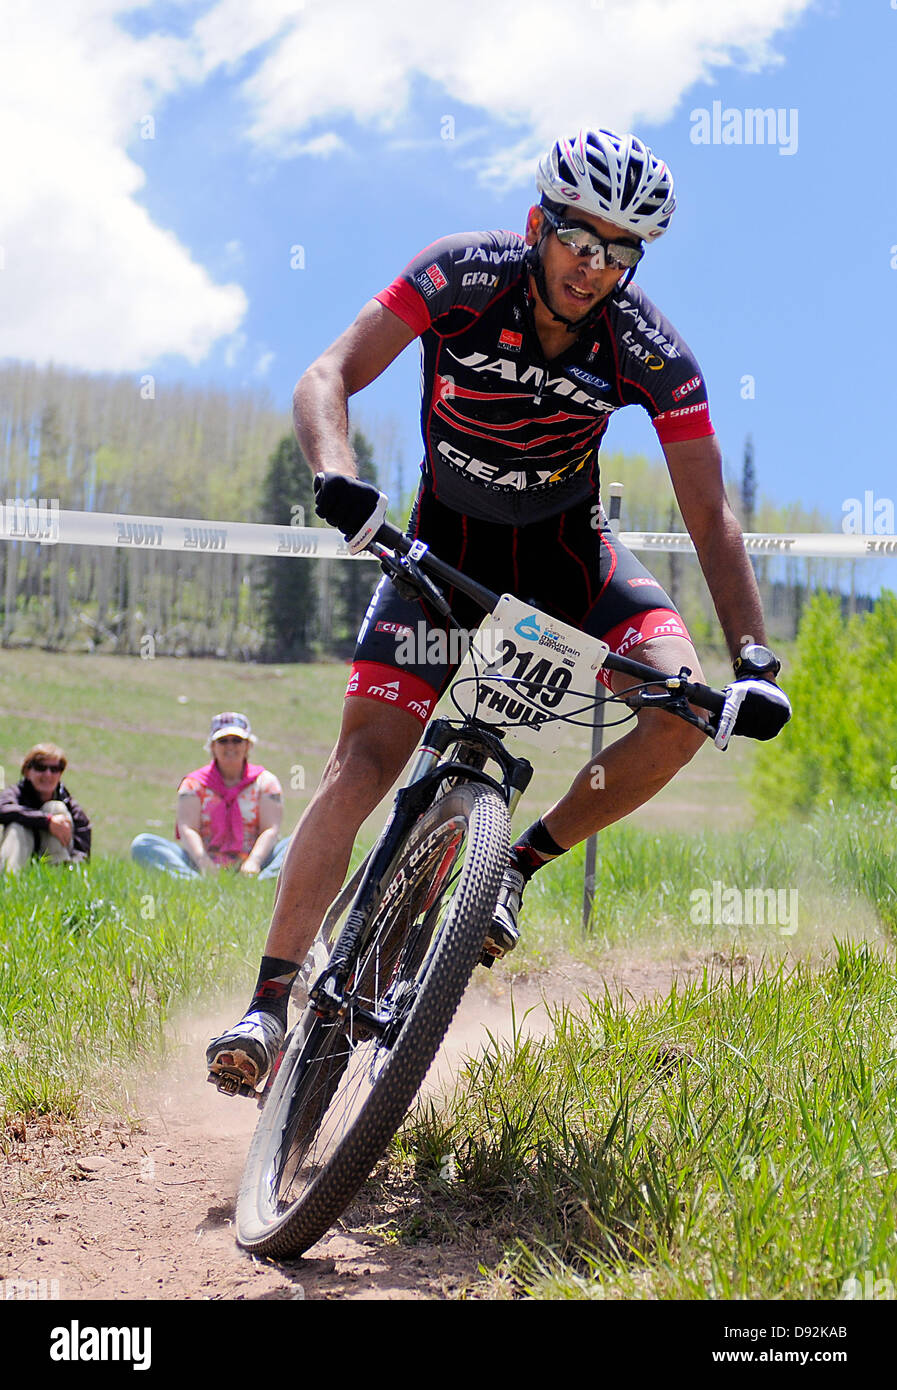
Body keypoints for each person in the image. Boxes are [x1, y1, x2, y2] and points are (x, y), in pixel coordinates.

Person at [207, 127, 791, 1089]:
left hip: (569, 565)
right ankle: (267, 1005)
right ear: (538, 223)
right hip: (442, 556)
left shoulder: (646, 345)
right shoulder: (460, 277)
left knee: (685, 708)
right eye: (578, 240)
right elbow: (327, 375)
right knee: (362, 765)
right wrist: (339, 479)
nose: (593, 267)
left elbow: (710, 510)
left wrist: (755, 661)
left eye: (619, 253)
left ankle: (511, 867)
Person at [131, 712, 289, 879]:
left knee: (295, 844)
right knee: (143, 844)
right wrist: (204, 863)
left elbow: (270, 829)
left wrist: (254, 862)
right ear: (212, 747)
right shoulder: (193, 783)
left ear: (248, 745)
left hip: (256, 863)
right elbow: (188, 828)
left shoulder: (266, 782)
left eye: (237, 740)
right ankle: (194, 882)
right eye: (223, 741)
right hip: (200, 862)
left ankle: (263, 881)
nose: (230, 746)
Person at [0, 743, 91, 872]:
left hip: (58, 867)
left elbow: (83, 852)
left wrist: (74, 868)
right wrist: (47, 821)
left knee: (56, 809)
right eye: (40, 767)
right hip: (22, 859)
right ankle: (9, 880)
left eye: (55, 769)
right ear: (27, 771)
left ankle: (57, 876)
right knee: (17, 827)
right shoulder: (15, 794)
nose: (48, 774)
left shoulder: (71, 806)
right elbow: (2, 809)